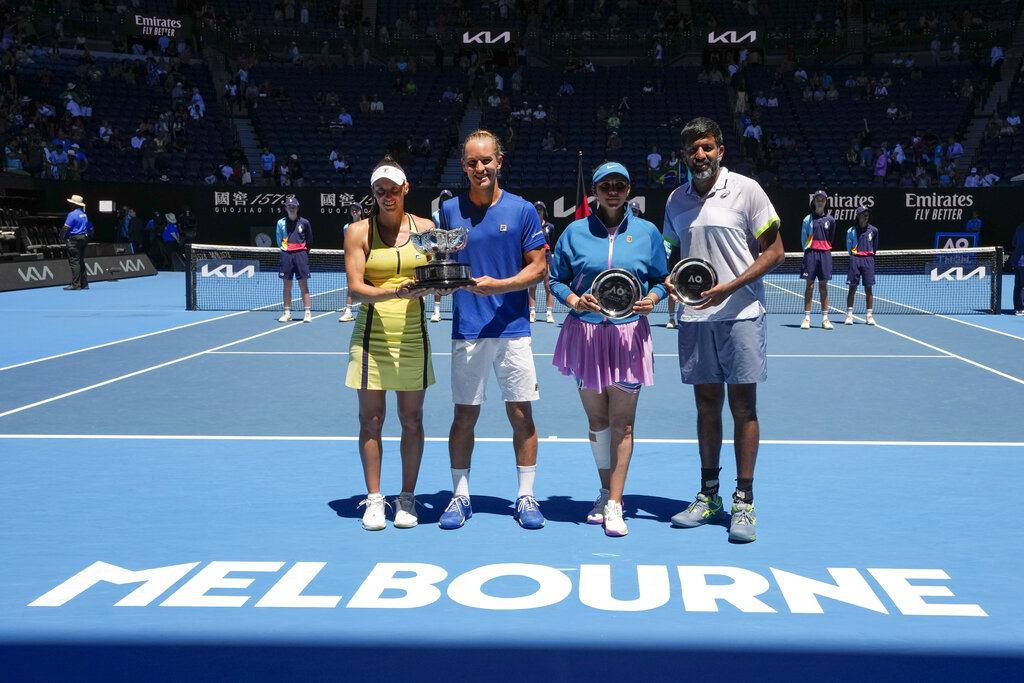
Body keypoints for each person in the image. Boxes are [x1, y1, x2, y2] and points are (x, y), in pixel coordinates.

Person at [662, 116, 784, 543]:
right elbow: (673, 258)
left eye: (708, 148)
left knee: (743, 408)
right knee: (706, 407)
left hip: (742, 314)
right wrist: (668, 284)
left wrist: (730, 286)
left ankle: (744, 501)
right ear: (684, 155)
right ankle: (709, 495)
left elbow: (776, 250)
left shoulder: (747, 190)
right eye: (693, 150)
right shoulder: (675, 201)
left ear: (720, 151)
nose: (701, 156)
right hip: (695, 319)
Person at [437, 129, 548, 530]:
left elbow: (539, 267)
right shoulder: (448, 212)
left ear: (499, 161)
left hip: (513, 329)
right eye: (472, 162)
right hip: (467, 329)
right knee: (464, 416)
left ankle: (525, 497)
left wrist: (498, 286)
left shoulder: (522, 210)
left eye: (486, 160)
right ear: (463, 166)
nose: (480, 168)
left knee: (521, 414)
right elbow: (440, 259)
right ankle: (460, 496)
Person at [549, 162, 668, 536]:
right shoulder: (574, 232)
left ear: (629, 189)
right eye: (605, 186)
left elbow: (663, 279)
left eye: (619, 185)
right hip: (585, 337)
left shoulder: (648, 232)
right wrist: (573, 299)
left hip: (628, 336)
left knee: (624, 423)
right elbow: (555, 279)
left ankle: (616, 503)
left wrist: (654, 297)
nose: (612, 191)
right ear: (595, 192)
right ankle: (603, 491)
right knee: (598, 422)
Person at [344, 157, 437, 530]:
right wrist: (393, 293)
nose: (387, 196)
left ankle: (407, 498)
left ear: (405, 190)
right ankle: (374, 499)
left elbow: (436, 274)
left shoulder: (427, 228)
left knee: (411, 420)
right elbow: (355, 287)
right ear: (373, 193)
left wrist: (435, 285)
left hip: (414, 336)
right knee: (372, 420)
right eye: (380, 191)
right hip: (370, 338)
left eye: (394, 190)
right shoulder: (357, 232)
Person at [799, 190, 837, 329]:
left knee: (823, 287)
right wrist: (808, 251)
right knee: (810, 286)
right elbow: (804, 238)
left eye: (822, 199)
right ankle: (807, 319)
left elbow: (831, 238)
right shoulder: (807, 219)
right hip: (811, 254)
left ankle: (825, 319)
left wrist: (824, 248)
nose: (820, 201)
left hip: (825, 254)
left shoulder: (831, 220)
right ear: (814, 201)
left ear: (826, 202)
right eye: (817, 199)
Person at [276, 195, 313, 323]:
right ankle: (287, 312)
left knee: (303, 284)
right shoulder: (281, 223)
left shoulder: (305, 222)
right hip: (286, 255)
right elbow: (279, 239)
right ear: (286, 208)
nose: (292, 208)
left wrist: (302, 252)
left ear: (297, 208)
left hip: (301, 255)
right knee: (287, 285)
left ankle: (307, 313)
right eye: (289, 206)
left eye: (294, 206)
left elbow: (309, 240)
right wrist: (286, 250)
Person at [845, 206, 878, 326]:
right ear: (858, 216)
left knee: (868, 289)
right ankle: (849, 315)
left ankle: (869, 316)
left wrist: (868, 256)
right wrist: (855, 256)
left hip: (868, 260)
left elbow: (875, 247)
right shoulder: (851, 231)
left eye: (867, 214)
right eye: (863, 214)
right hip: (855, 259)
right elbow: (849, 248)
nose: (865, 216)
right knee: (852, 288)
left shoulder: (874, 230)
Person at [528, 200, 556, 324]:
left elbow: (552, 242)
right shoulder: (530, 226)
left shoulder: (550, 227)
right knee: (532, 285)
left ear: (544, 211)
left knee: (547, 286)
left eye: (541, 209)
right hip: (534, 257)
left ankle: (549, 313)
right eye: (537, 208)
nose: (539, 210)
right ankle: (532, 313)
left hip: (547, 256)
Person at [428, 189, 454, 323]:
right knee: (438, 280)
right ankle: (436, 311)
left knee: (458, 280)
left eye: (447, 198)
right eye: (443, 198)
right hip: (440, 251)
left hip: (454, 250)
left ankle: (460, 309)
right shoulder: (435, 215)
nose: (445, 200)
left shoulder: (456, 214)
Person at [338, 202, 365, 322]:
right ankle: (348, 311)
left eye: (357, 209)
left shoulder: (367, 225)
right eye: (352, 209)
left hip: (366, 259)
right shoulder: (346, 227)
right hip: (353, 259)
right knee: (351, 285)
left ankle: (366, 310)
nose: (354, 211)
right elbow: (346, 245)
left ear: (361, 211)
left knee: (367, 284)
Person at [62, 194, 92, 290]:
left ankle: (76, 284)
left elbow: (66, 227)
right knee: (81, 261)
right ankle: (84, 284)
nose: (70, 205)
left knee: (75, 262)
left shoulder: (72, 214)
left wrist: (61, 235)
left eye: (71, 203)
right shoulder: (84, 215)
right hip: (83, 239)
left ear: (74, 204)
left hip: (73, 240)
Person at [1012, 221, 1024, 315]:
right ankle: (1020, 308)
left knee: (1018, 285)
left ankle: (1017, 307)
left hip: (1016, 261)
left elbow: (1014, 243)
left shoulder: (1019, 227)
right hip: (1022, 262)